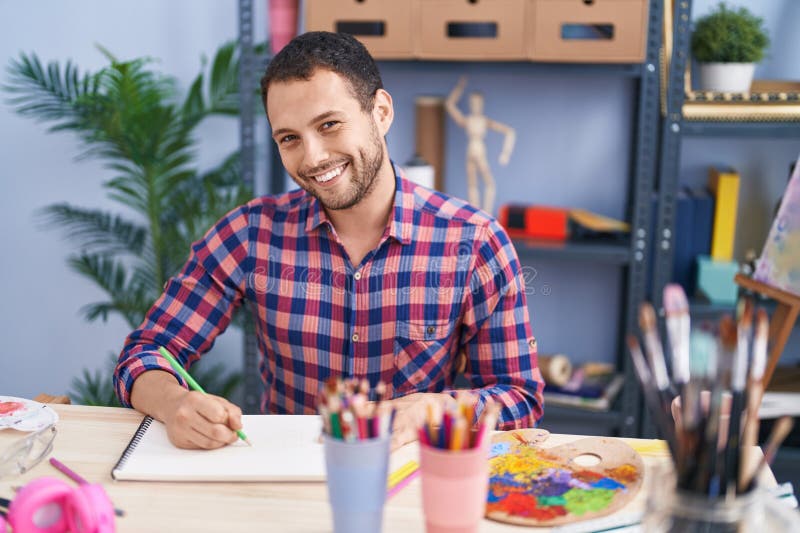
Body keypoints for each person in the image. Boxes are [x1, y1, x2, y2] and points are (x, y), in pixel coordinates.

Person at [113, 31, 544, 450]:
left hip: (408, 490)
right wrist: (175, 404)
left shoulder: (474, 241)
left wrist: (438, 408)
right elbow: (146, 353)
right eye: (290, 139)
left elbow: (520, 398)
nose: (313, 157)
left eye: (330, 124)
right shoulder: (249, 234)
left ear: (381, 112)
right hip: (285, 485)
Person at [445, 76, 516, 215]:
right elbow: (449, 105)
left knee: (484, 184)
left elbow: (509, 132)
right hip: (474, 149)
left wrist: (506, 153)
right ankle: (479, 215)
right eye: (473, 102)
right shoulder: (468, 120)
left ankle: (484, 214)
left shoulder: (482, 121)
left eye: (477, 102)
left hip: (475, 149)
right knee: (476, 184)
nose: (475, 105)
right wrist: (459, 88)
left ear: (482, 104)